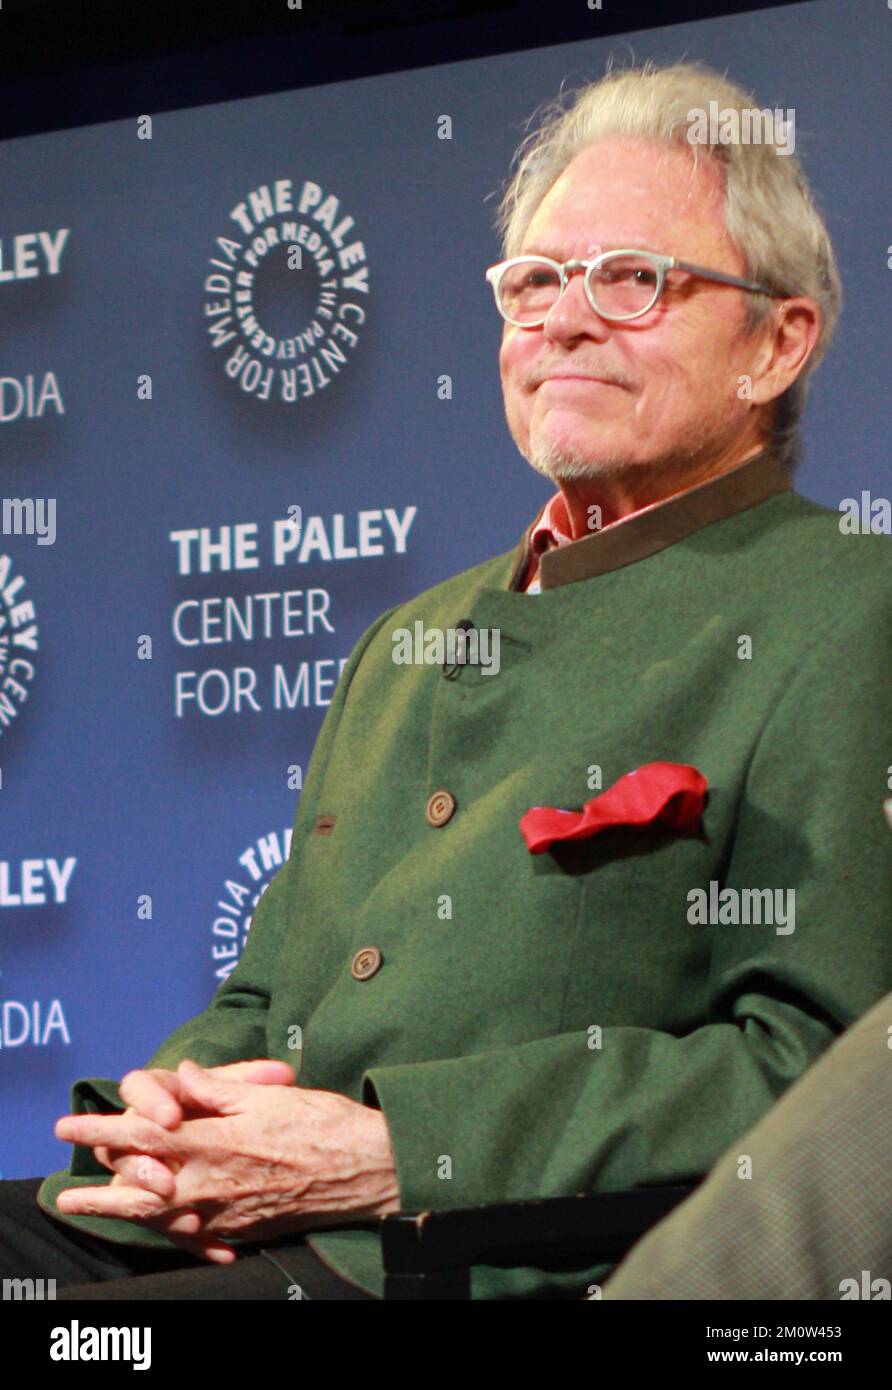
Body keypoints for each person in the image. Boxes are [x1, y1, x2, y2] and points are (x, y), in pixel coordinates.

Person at [3, 59, 891, 1301]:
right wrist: (172, 1118)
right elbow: (268, 991)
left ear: (774, 343)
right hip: (245, 1222)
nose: (563, 320)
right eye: (533, 285)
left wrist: (394, 1152)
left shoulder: (851, 606)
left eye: (630, 279)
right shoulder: (406, 638)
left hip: (473, 1258)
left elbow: (820, 1074)